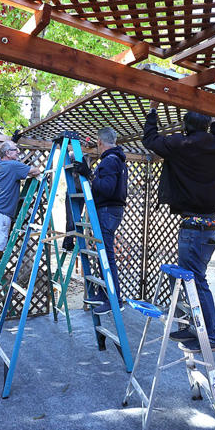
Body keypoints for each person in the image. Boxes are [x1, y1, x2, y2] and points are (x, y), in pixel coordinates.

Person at [142, 100, 215, 352]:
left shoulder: (180, 144)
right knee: (190, 279)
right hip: (209, 226)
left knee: (196, 281)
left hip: (194, 229)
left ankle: (210, 336)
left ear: (185, 125)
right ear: (206, 125)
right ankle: (194, 328)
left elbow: (150, 139)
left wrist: (153, 111)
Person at [73, 127, 128, 315]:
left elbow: (106, 188)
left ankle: (114, 300)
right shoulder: (116, 159)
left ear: (99, 142)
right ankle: (104, 294)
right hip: (110, 211)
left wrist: (89, 174)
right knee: (103, 254)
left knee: (106, 256)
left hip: (107, 211)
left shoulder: (110, 161)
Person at [0, 140, 41, 294]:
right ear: (7, 153)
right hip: (0, 212)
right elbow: (36, 170)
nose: (18, 151)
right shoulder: (13, 165)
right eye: (15, 149)